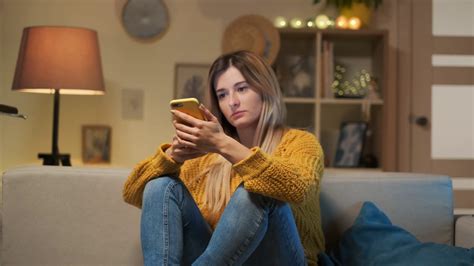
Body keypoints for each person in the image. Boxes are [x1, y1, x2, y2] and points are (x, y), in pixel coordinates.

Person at [122, 50, 325, 266]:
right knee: (160, 185)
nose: (232, 102)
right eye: (222, 95)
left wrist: (223, 144)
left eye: (242, 89)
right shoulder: (206, 157)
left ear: (265, 89)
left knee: (256, 190)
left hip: (281, 259)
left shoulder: (300, 142)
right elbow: (134, 193)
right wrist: (172, 157)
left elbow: (299, 188)